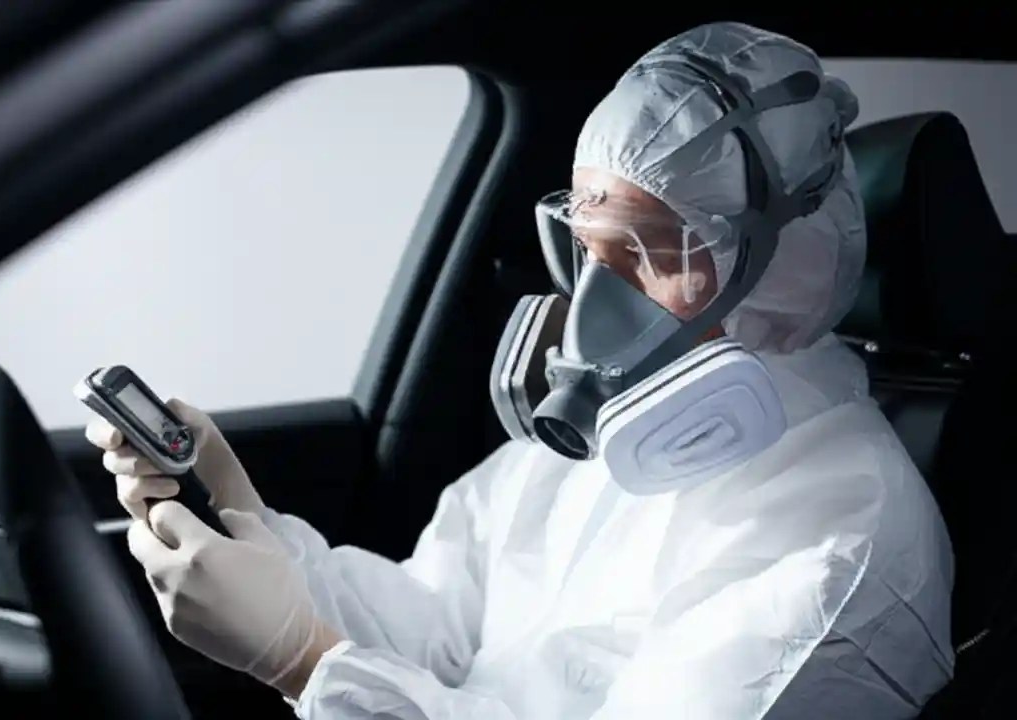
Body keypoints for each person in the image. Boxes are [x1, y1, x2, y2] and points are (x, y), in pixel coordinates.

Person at [85, 21, 954, 719]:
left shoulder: (840, 557)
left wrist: (304, 662)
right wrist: (250, 529)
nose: (594, 309)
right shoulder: (585, 452)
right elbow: (436, 629)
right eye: (588, 248)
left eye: (652, 253)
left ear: (786, 262)